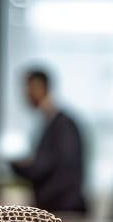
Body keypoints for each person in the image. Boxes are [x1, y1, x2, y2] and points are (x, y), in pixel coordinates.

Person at [10, 69, 86, 213]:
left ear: (40, 88)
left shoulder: (63, 125)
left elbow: (53, 171)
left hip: (63, 211)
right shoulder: (50, 122)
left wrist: (19, 166)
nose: (25, 94)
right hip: (53, 208)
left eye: (28, 88)